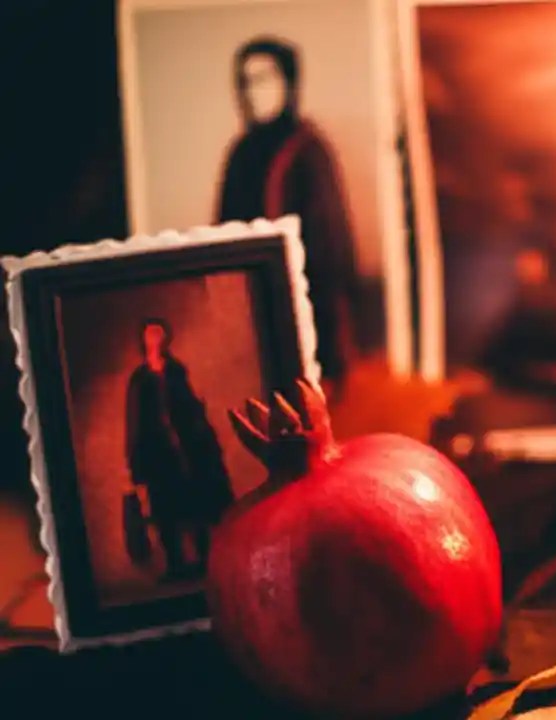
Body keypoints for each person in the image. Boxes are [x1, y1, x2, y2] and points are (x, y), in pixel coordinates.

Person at [216, 36, 357, 390]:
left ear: (288, 82)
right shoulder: (241, 152)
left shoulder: (307, 148)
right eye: (245, 81)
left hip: (306, 293)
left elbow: (331, 239)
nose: (254, 91)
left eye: (264, 78)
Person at [125, 319, 234, 580]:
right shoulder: (139, 379)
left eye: (159, 335)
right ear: (144, 339)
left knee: (196, 504)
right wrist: (133, 462)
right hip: (158, 454)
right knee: (165, 509)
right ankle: (175, 564)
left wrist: (197, 429)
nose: (155, 340)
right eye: (150, 335)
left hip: (186, 450)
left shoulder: (176, 371)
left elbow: (189, 407)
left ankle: (206, 560)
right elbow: (134, 421)